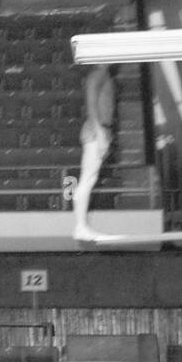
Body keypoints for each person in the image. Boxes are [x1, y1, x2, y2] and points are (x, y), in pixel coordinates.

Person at [73, 65, 116, 241]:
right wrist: (99, 134)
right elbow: (91, 106)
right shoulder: (97, 74)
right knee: (87, 179)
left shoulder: (103, 74)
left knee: (89, 178)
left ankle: (82, 226)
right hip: (96, 130)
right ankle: (80, 226)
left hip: (101, 129)